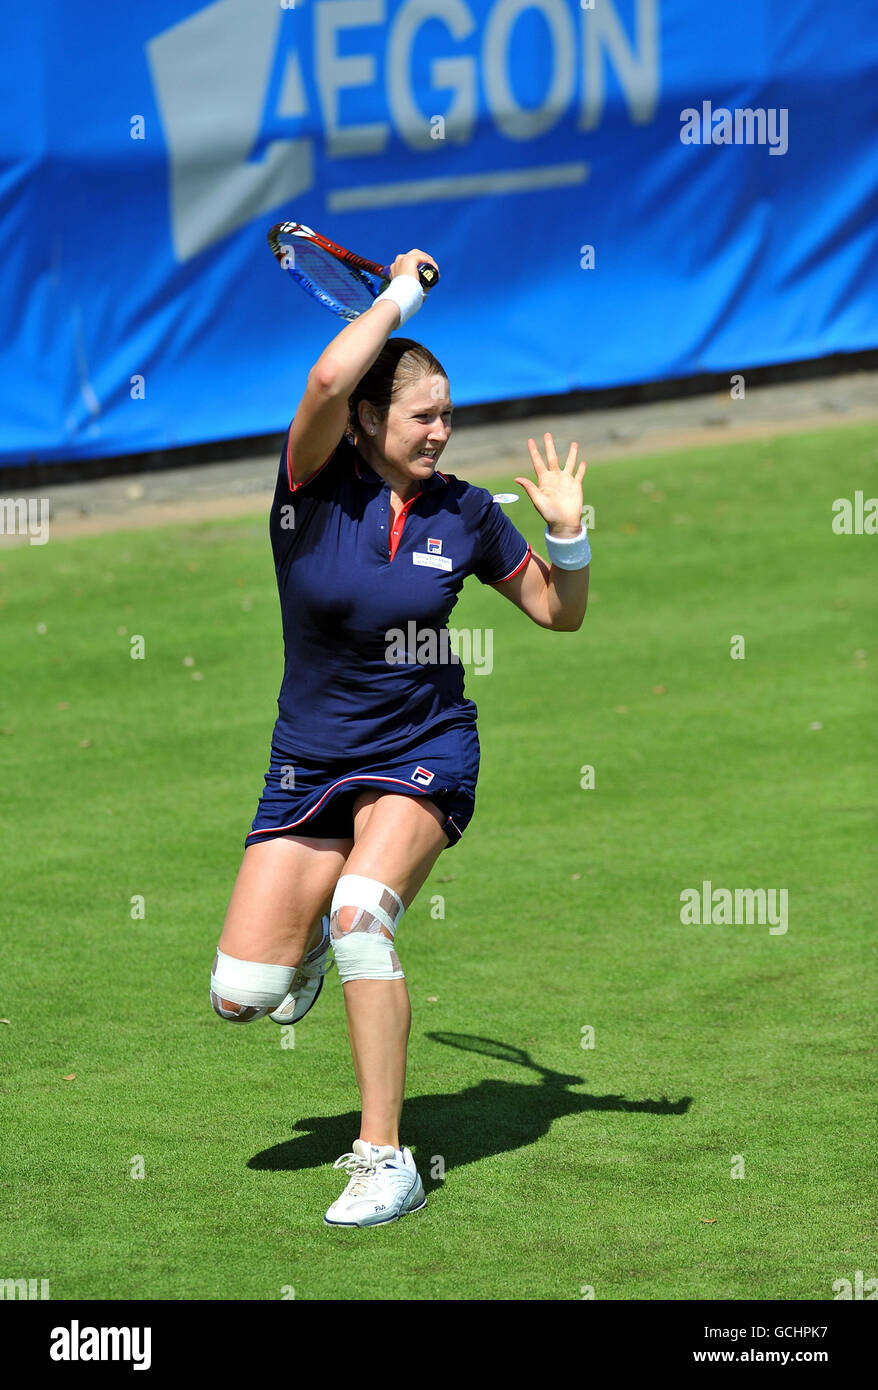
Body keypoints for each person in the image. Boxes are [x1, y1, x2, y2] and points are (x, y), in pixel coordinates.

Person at [209, 249, 590, 1227]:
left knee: (360, 919)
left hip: (425, 749)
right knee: (239, 994)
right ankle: (286, 955)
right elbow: (327, 377)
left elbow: (558, 614)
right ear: (371, 421)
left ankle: (385, 1160)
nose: (440, 431)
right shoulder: (306, 487)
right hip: (308, 760)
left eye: (447, 415)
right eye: (422, 415)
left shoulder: (465, 512)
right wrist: (397, 297)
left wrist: (566, 536)